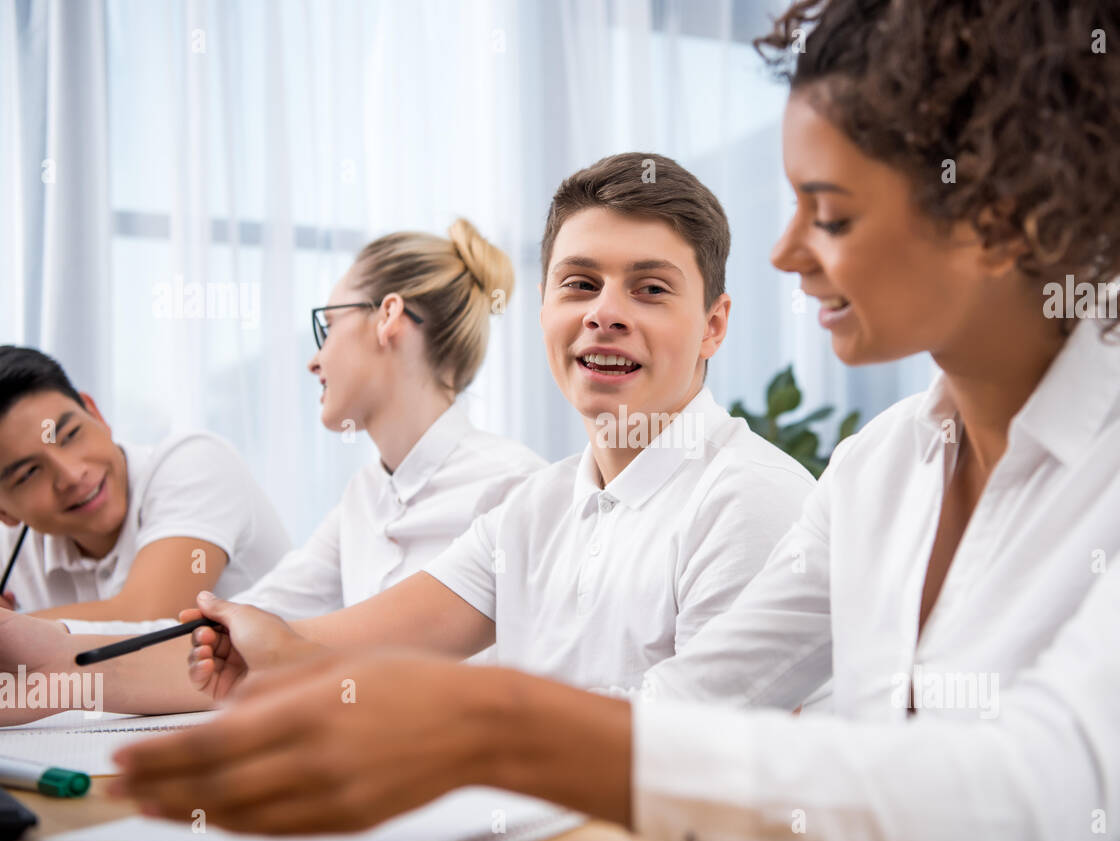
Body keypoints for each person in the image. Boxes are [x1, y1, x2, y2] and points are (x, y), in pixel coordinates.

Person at [116, 0, 1120, 841]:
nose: (788, 254)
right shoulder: (878, 471)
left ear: (996, 214)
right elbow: (694, 701)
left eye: (826, 215)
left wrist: (492, 722)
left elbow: (1039, 799)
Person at [182, 152, 816, 701]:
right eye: (580, 284)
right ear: (544, 307)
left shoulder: (750, 497)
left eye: (650, 288)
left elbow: (687, 753)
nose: (604, 313)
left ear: (713, 325)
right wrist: (268, 653)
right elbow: (355, 639)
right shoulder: (533, 509)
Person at [0, 221, 545, 720]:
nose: (314, 359)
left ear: (388, 318)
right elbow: (232, 635)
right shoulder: (364, 498)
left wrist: (57, 656)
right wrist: (53, 652)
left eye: (326, 326)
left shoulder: (511, 489)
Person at [0, 345, 289, 622]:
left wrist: (12, 627)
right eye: (28, 473)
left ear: (94, 413)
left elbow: (149, 620)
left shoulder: (194, 462)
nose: (73, 475)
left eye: (71, 435)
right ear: (4, 512)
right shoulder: (13, 547)